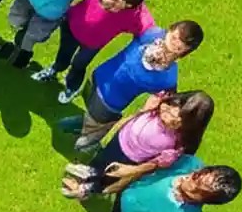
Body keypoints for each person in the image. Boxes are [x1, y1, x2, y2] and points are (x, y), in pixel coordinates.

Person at [64, 20, 206, 151]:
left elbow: (168, 101)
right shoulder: (151, 33)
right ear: (169, 30)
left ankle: (90, 141)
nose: (174, 44)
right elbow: (135, 13)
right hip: (98, 77)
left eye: (179, 45)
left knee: (96, 123)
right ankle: (83, 121)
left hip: (110, 104)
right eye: (174, 37)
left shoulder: (168, 78)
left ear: (185, 51)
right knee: (89, 106)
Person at [62, 90, 215, 199]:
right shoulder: (164, 101)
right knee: (101, 159)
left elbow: (155, 164)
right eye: (173, 107)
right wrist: (148, 107)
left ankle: (88, 189)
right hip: (120, 139)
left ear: (189, 125)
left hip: (130, 158)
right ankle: (90, 171)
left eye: (177, 118)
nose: (168, 115)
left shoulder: (177, 144)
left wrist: (131, 170)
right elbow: (158, 95)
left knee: (109, 176)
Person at [34, 0, 154, 104]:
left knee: (78, 65)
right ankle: (56, 69)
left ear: (129, 5)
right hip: (71, 27)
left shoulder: (135, 17)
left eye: (114, 0)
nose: (105, 0)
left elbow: (150, 35)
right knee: (64, 54)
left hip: (92, 44)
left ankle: (71, 87)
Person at [67, 158, 242, 212]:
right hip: (128, 188)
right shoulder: (188, 162)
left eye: (198, 189)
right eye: (196, 176)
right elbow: (154, 163)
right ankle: (85, 192)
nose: (190, 181)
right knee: (108, 186)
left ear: (205, 201)